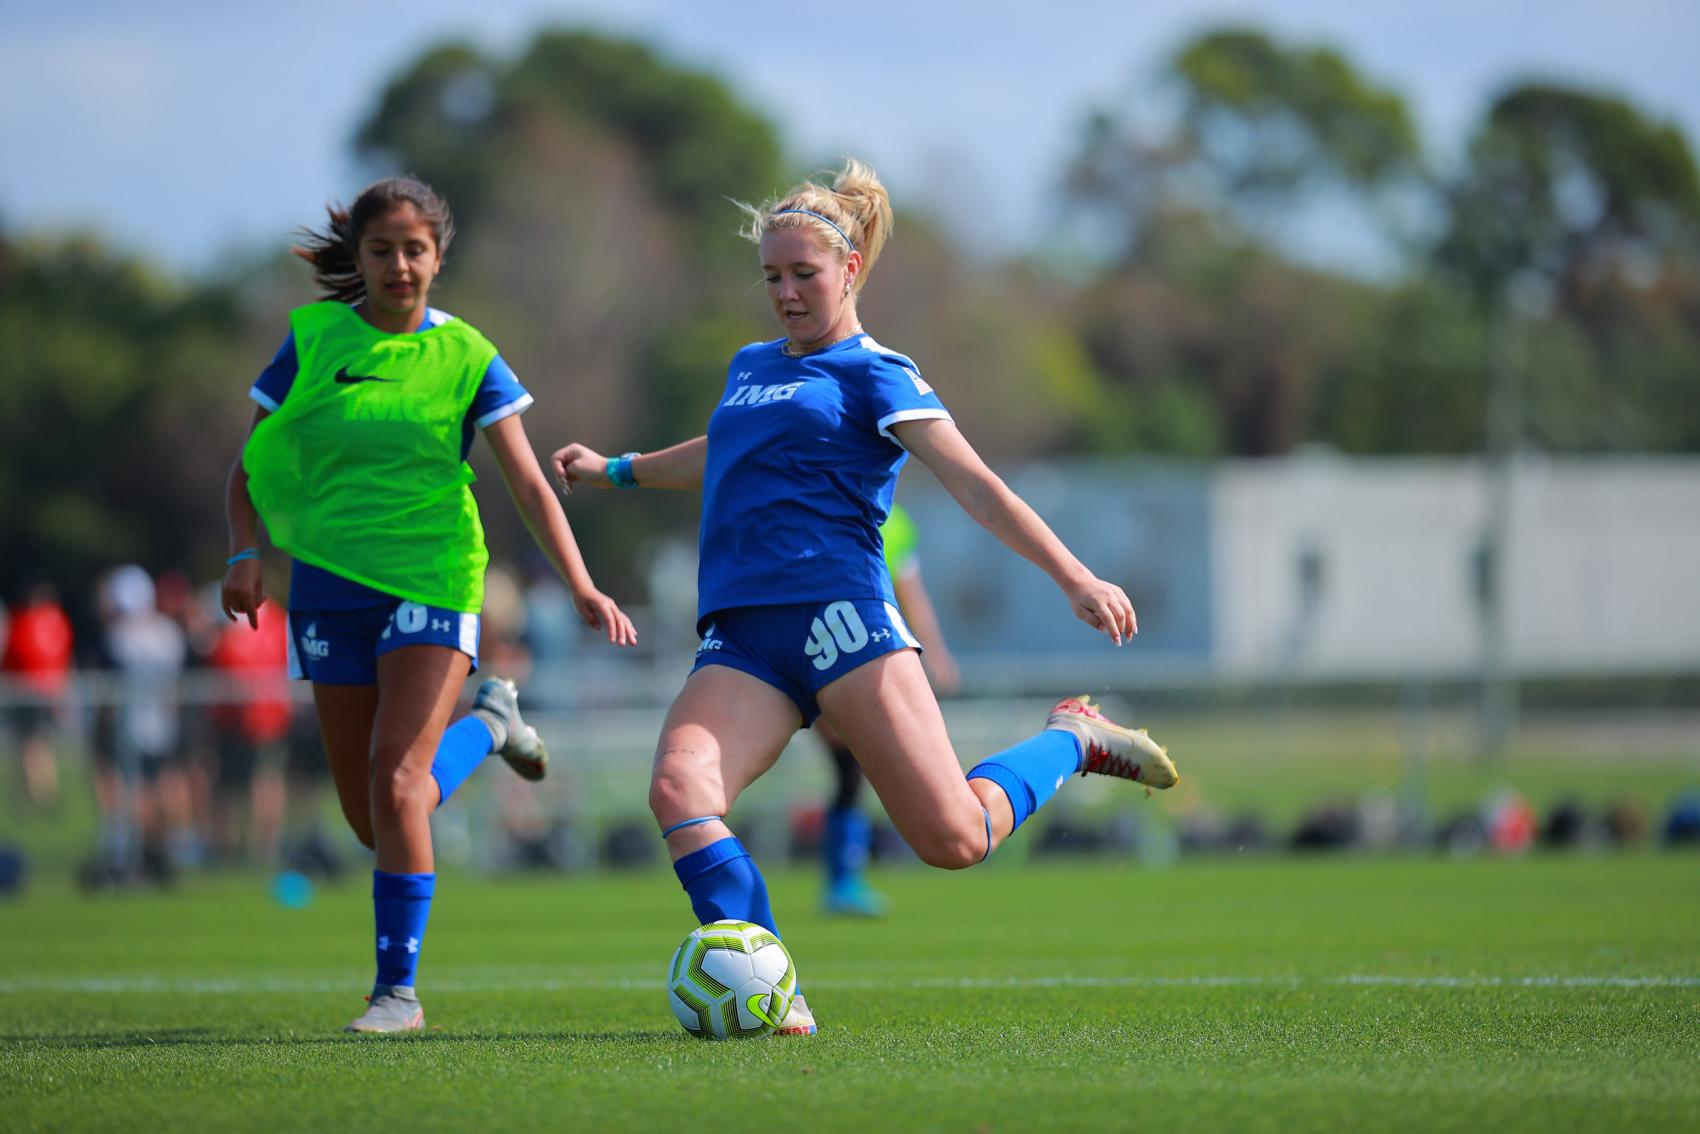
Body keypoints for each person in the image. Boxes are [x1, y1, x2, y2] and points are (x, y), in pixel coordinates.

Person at [553, 159, 1177, 1036]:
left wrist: (1075, 575)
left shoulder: (879, 372)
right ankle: (777, 993)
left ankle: (1073, 738)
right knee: (678, 788)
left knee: (955, 839)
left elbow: (977, 485)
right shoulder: (749, 366)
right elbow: (724, 447)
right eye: (772, 276)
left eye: (803, 274)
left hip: (844, 626)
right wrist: (617, 470)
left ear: (849, 270)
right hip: (743, 638)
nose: (785, 293)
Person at [221, 176, 636, 1034]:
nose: (399, 266)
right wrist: (243, 553)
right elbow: (248, 466)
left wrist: (580, 582)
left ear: (439, 256)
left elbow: (528, 482)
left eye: (415, 250)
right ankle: (490, 725)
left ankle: (396, 995)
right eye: (381, 250)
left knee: (399, 782)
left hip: (435, 578)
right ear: (359, 256)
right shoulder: (313, 341)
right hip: (329, 587)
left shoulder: (469, 354)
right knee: (374, 819)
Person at [815, 502, 959, 916]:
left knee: (850, 768)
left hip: (859, 657)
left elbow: (911, 594)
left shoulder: (893, 521)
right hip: (822, 652)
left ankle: (844, 880)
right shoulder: (823, 497)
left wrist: (937, 656)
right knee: (849, 764)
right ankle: (842, 880)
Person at [2, 578, 75, 812]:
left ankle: (39, 794)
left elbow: (15, 655)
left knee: (31, 745)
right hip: (51, 691)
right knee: (41, 744)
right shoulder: (59, 621)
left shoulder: (26, 621)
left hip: (31, 692)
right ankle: (43, 791)